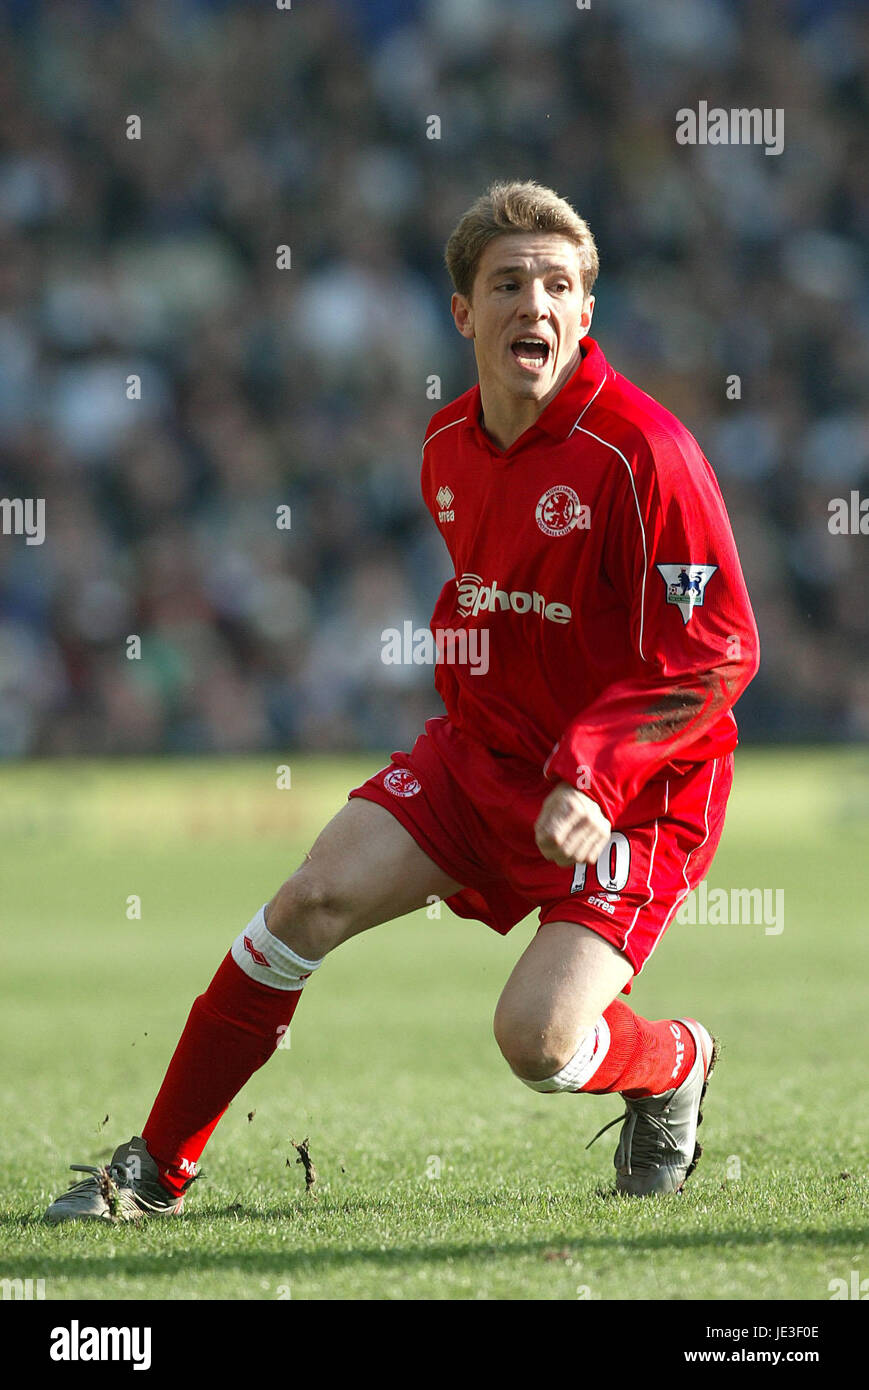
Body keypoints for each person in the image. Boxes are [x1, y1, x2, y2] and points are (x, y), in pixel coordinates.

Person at [46, 180, 759, 1222]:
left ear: (586, 311)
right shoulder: (443, 450)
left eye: (559, 285)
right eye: (507, 284)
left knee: (540, 1042)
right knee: (305, 902)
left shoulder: (644, 454)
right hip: (481, 762)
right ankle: (153, 1168)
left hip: (637, 792)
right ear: (463, 312)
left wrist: (592, 772)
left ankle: (672, 1064)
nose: (535, 305)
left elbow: (716, 648)